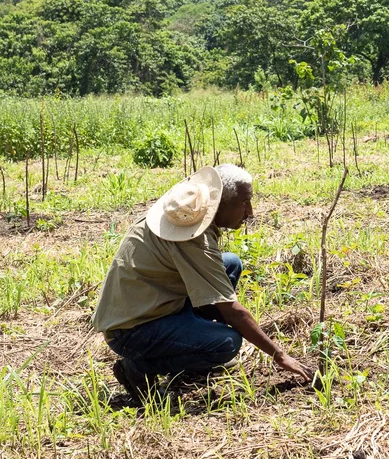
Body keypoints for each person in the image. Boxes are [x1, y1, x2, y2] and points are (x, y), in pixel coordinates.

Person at [92, 164, 312, 402]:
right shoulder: (191, 237)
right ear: (220, 205)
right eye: (243, 203)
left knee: (230, 264)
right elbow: (233, 313)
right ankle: (139, 368)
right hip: (132, 331)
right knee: (227, 343)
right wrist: (280, 355)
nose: (250, 212)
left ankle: (195, 350)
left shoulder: (184, 216)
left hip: (152, 307)